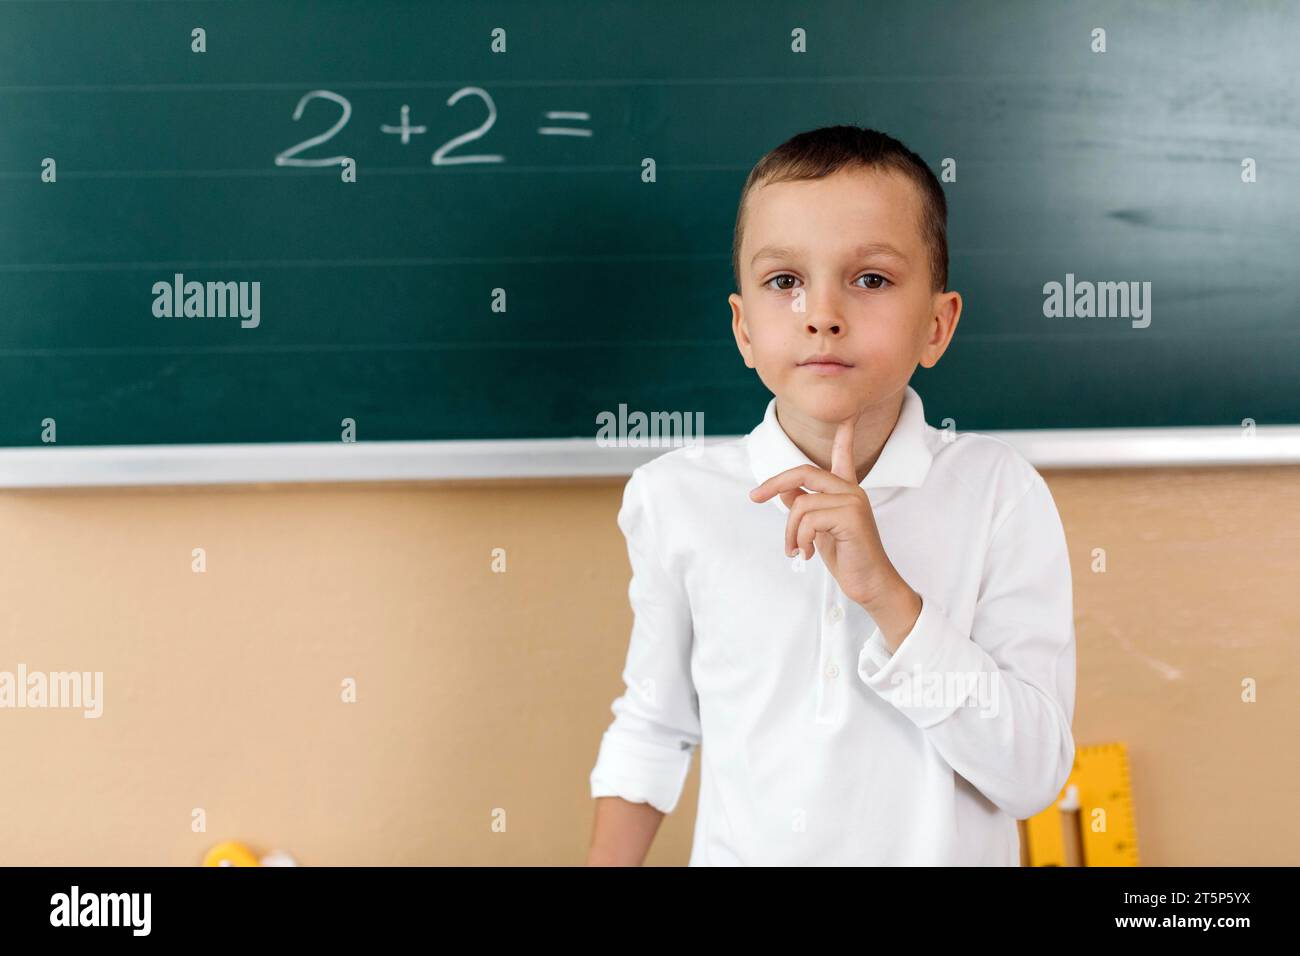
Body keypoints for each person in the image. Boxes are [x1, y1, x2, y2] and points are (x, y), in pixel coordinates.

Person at [587, 126, 1076, 866]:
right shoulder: (676, 498)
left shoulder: (999, 492)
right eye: (784, 281)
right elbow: (653, 729)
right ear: (744, 328)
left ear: (937, 325)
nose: (822, 313)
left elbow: (1033, 777)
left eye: (870, 279)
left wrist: (886, 595)